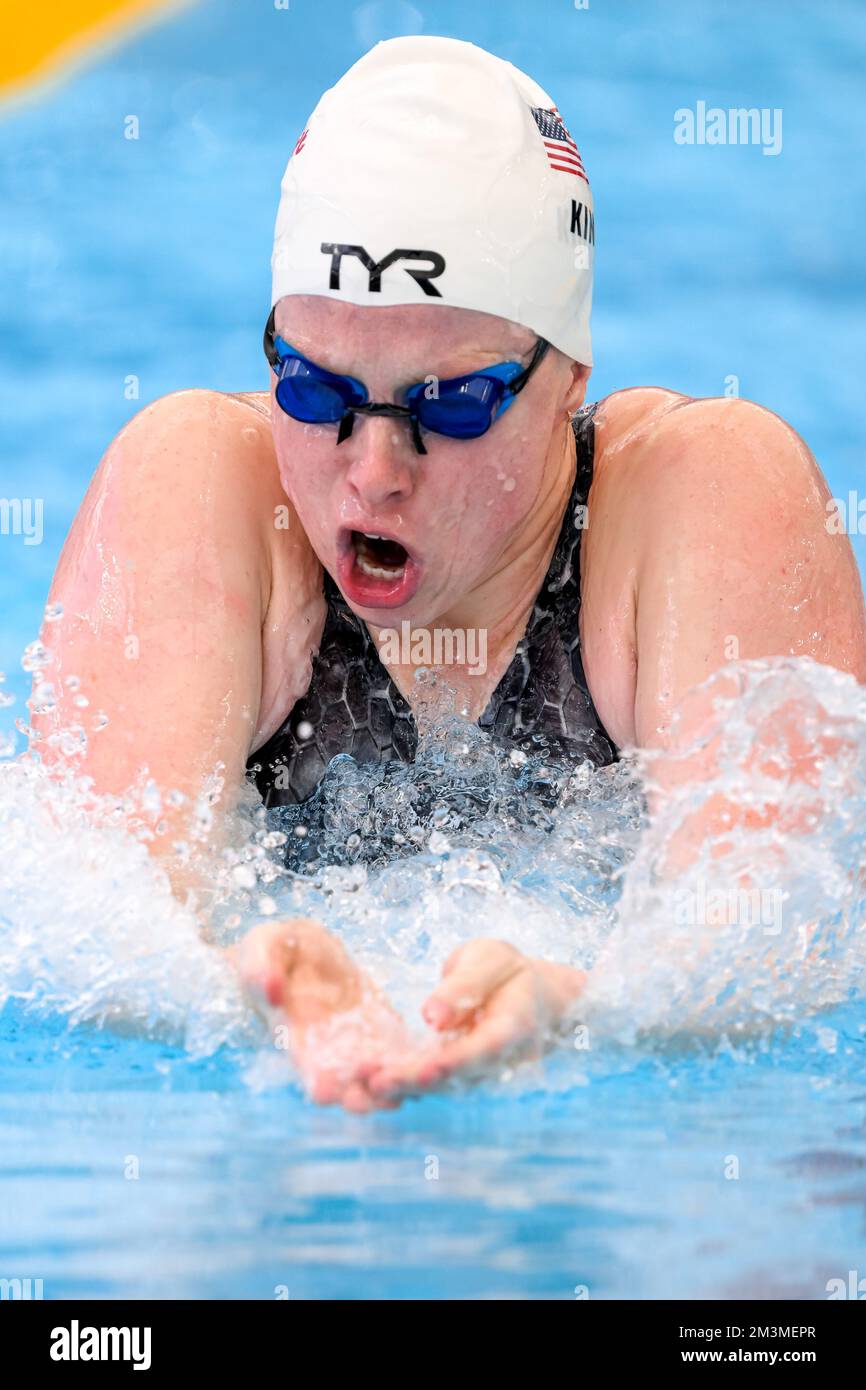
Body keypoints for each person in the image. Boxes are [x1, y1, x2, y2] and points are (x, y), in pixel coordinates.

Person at [35, 37, 866, 1110]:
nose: (372, 474)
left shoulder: (704, 497)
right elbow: (78, 939)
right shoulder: (200, 492)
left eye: (451, 404)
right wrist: (248, 996)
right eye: (315, 390)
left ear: (565, 376)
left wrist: (584, 1011)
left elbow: (795, 947)